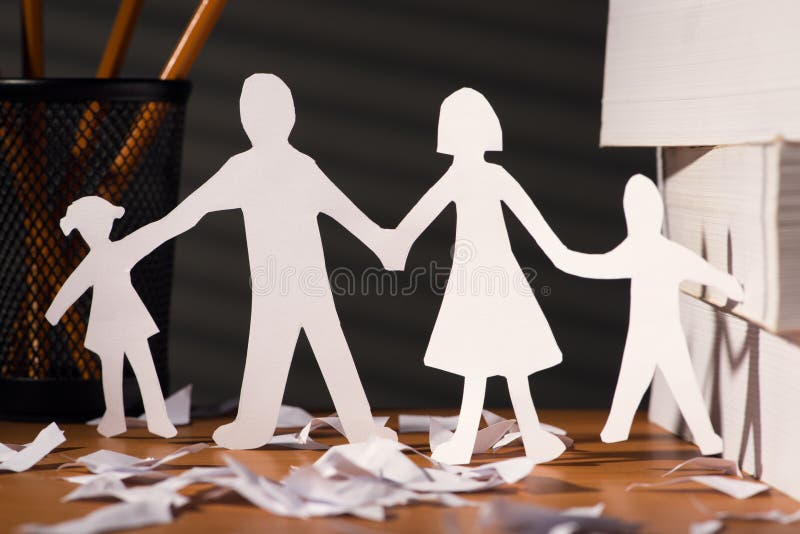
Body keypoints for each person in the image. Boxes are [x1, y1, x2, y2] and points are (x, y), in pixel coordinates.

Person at [149, 73, 396, 450]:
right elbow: (353, 218)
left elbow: (184, 217)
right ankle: (346, 428)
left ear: (247, 118)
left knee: (285, 348)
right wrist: (382, 242)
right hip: (296, 282)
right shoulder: (286, 166)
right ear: (290, 117)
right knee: (316, 349)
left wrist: (136, 244)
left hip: (282, 283)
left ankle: (263, 425)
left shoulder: (255, 168)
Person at [385, 88, 571, 465]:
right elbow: (542, 233)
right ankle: (521, 437)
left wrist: (390, 247)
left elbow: (410, 227)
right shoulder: (486, 175)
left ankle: (499, 438)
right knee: (500, 362)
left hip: (480, 277)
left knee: (484, 362)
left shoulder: (464, 176)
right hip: (491, 276)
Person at [550, 174, 744, 455]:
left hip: (651, 332)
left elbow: (585, 265)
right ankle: (693, 436)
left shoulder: (638, 251)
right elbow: (705, 271)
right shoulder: (665, 251)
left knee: (657, 381)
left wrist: (558, 254)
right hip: (662, 331)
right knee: (665, 382)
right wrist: (727, 284)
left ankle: (624, 429)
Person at [45, 196, 177, 438]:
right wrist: (53, 314)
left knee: (144, 368)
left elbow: (148, 237)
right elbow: (72, 288)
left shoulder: (121, 250)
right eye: (88, 227)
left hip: (130, 319)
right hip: (107, 323)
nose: (94, 231)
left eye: (100, 223)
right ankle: (116, 418)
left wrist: (170, 225)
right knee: (113, 370)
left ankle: (157, 418)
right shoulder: (92, 262)